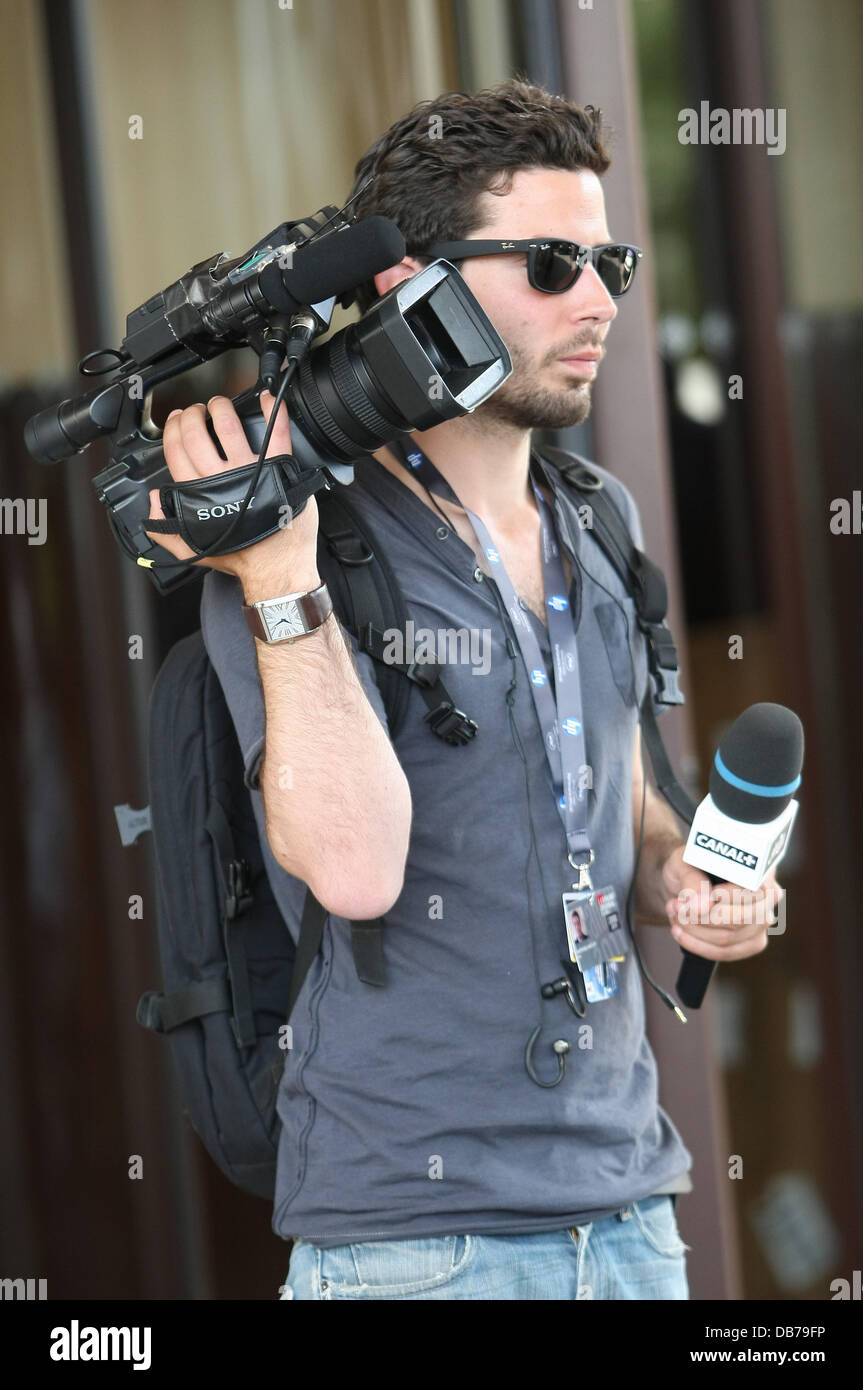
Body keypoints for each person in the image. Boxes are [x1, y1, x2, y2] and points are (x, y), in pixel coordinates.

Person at [145, 79, 781, 1301]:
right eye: (549, 262)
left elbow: (630, 807)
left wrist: (691, 885)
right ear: (410, 284)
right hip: (416, 1243)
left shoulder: (597, 515)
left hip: (633, 1214)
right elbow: (353, 869)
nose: (596, 299)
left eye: (611, 261)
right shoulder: (304, 543)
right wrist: (276, 569)